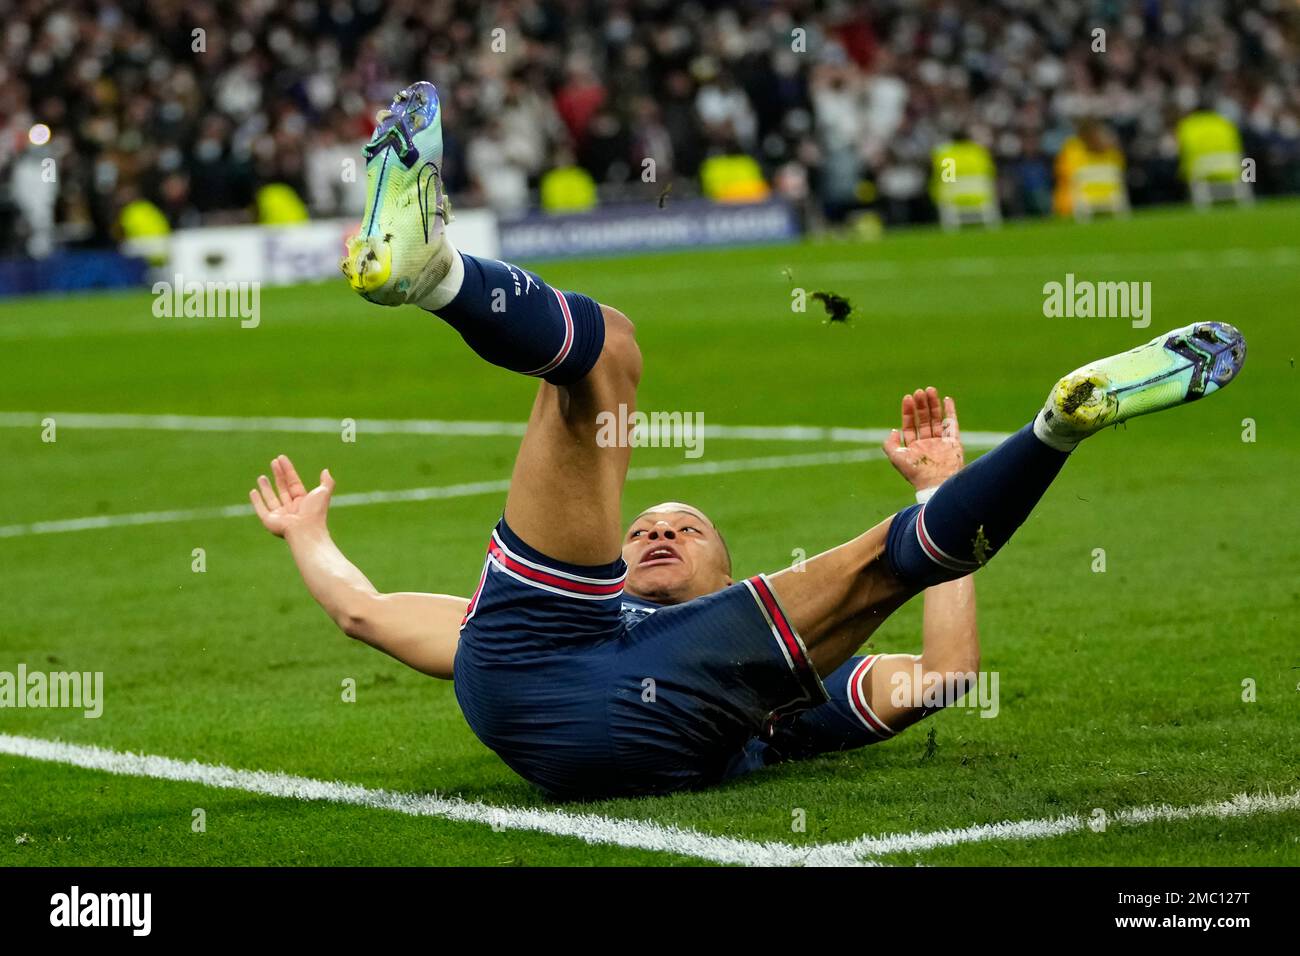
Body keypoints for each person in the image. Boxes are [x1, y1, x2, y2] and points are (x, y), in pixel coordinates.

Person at [251, 83, 1246, 799]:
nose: (657, 531)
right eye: (646, 525)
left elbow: (941, 677)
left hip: (677, 711)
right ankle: (433, 276)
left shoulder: (760, 641)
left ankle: (1053, 429)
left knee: (872, 560)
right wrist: (307, 535)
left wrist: (937, 483)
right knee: (605, 365)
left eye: (684, 527)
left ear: (733, 565)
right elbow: (370, 613)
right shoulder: (524, 617)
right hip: (526, 676)